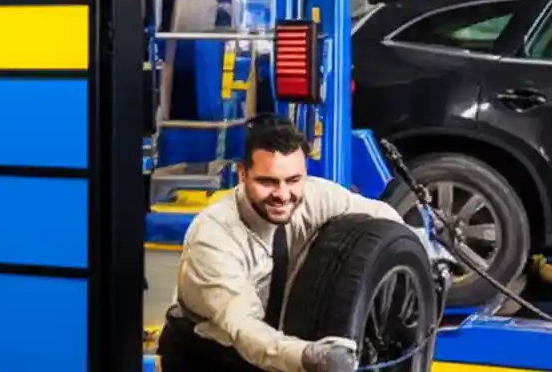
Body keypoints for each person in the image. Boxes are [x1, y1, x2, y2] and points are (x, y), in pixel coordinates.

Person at [156, 113, 407, 372]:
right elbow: (245, 330)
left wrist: (426, 253)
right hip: (208, 357)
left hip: (275, 347)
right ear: (243, 174)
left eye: (293, 180)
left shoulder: (315, 197)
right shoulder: (213, 238)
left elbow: (385, 220)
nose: (283, 195)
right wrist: (310, 356)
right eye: (268, 182)